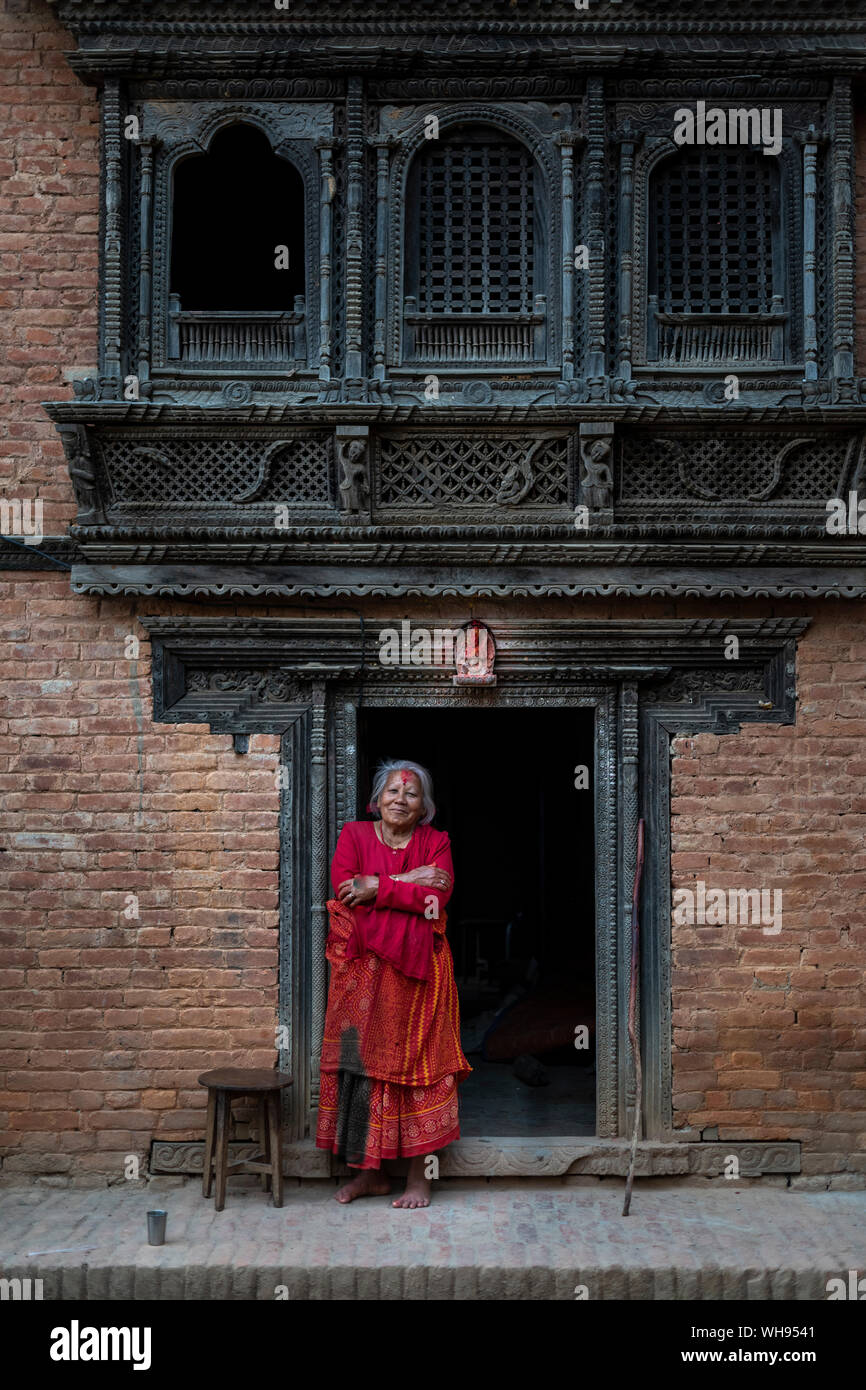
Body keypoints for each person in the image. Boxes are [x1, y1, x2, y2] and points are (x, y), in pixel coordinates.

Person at [315, 759, 471, 1208]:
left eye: (411, 794)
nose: (400, 800)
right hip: (361, 969)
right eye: (392, 792)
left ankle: (419, 1180)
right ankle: (368, 1174)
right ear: (376, 800)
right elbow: (345, 890)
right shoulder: (355, 836)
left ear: (425, 806)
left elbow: (435, 899)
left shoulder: (435, 842)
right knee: (359, 1067)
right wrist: (407, 880)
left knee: (420, 1069)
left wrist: (378, 886)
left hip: (419, 971)